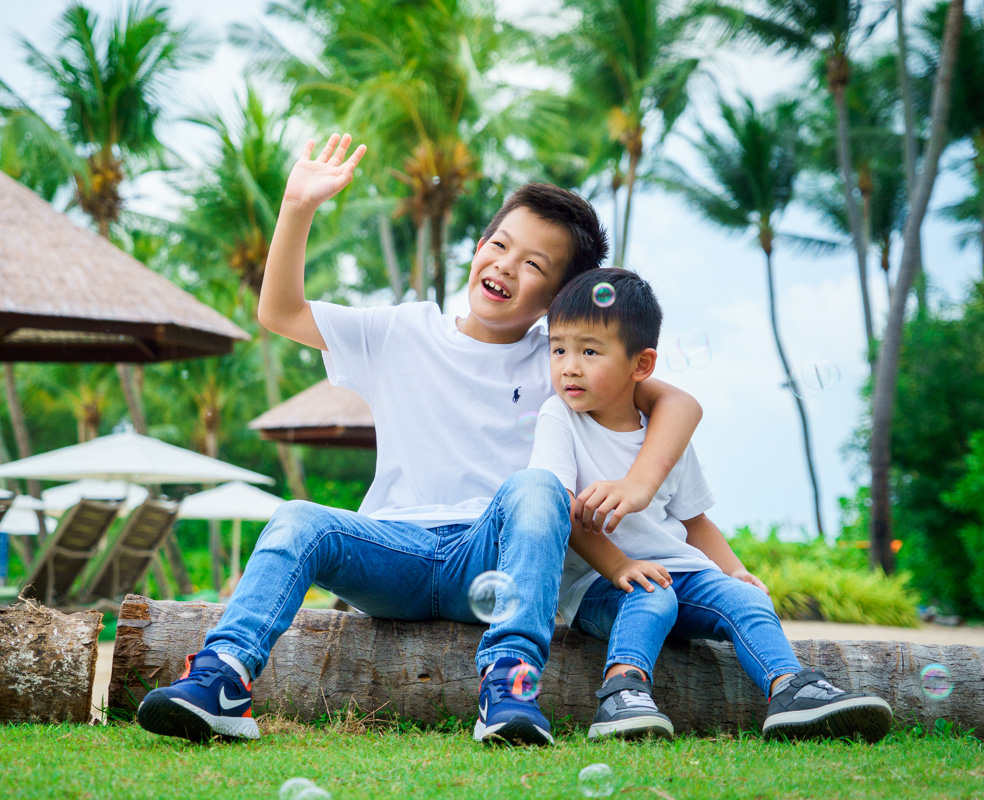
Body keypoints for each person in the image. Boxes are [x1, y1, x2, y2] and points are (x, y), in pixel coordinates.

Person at [136, 134, 702, 746]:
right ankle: (222, 680)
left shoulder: (561, 361)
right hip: (393, 551)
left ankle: (510, 688)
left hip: (491, 553)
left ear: (558, 299)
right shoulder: (400, 331)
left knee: (539, 485)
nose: (506, 266)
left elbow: (676, 402)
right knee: (299, 518)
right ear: (478, 249)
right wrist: (296, 207)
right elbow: (280, 312)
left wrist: (641, 485)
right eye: (500, 245)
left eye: (535, 265)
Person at [528, 267, 894, 742]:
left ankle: (789, 689)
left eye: (589, 351)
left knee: (744, 598)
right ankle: (623, 692)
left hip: (681, 571)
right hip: (601, 585)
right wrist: (620, 565)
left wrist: (734, 570)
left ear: (641, 365)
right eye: (558, 349)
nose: (568, 366)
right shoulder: (559, 417)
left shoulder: (660, 434)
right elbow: (558, 509)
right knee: (650, 595)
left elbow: (693, 520)